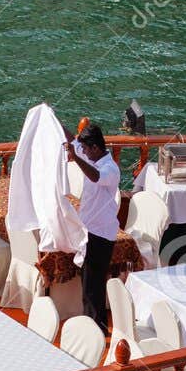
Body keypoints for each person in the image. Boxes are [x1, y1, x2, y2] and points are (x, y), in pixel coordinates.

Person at [64, 124, 121, 332]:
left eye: (86, 149)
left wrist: (76, 158)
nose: (83, 151)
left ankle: (98, 328)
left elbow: (95, 177)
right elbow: (74, 142)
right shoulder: (90, 155)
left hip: (101, 234)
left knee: (94, 286)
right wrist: (55, 121)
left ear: (95, 147)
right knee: (87, 283)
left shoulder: (110, 169)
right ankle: (91, 326)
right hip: (88, 231)